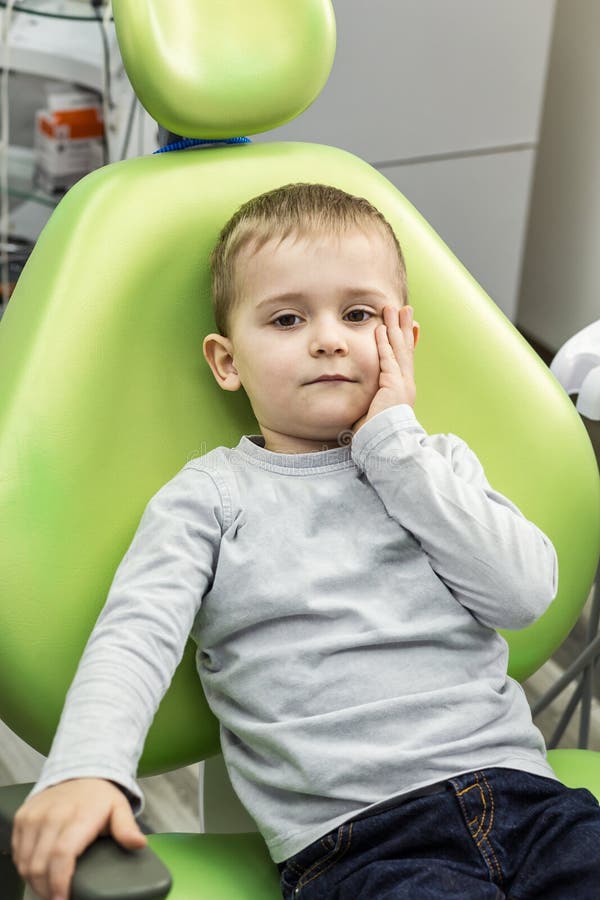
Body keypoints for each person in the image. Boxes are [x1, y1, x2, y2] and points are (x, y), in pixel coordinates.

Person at [10, 183, 600, 900]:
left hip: (533, 804)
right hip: (365, 841)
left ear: (403, 340)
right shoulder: (212, 498)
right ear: (227, 362)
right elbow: (135, 635)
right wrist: (87, 768)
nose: (328, 337)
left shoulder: (434, 465)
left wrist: (393, 444)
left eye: (358, 314)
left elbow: (522, 593)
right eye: (287, 318)